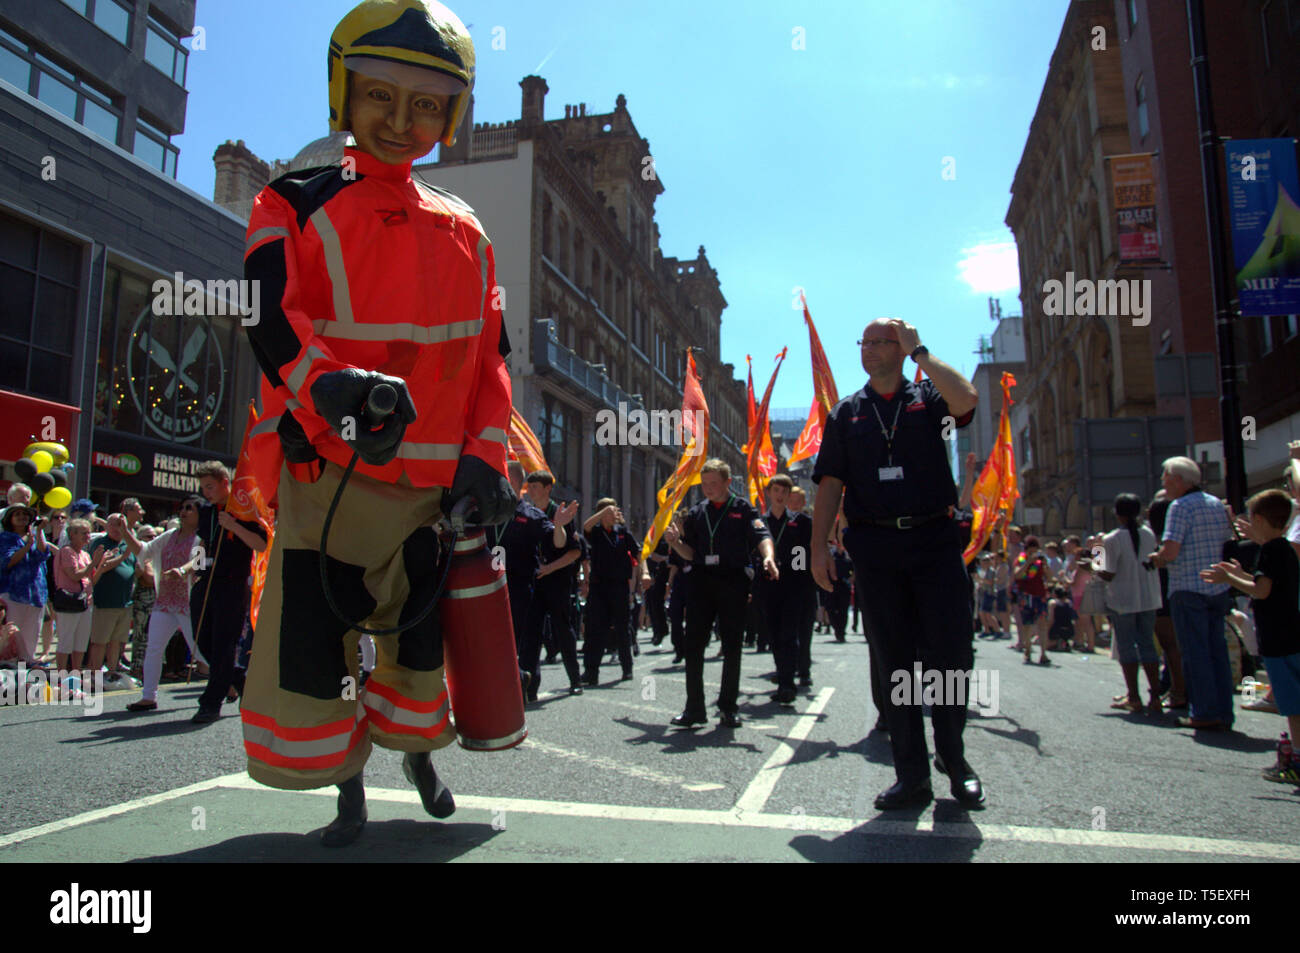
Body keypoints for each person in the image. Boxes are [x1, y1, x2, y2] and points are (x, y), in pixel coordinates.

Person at [239, 0, 513, 848]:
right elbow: (267, 314)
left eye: (425, 104)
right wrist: (328, 388)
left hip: (429, 499)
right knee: (320, 649)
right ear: (343, 93)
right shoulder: (289, 202)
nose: (401, 122)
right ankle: (346, 788)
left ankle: (420, 757)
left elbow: (491, 362)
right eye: (380, 97)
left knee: (417, 645)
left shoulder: (470, 229)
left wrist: (485, 457)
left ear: (451, 115)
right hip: (330, 483)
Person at [811, 317, 983, 810]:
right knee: (895, 665)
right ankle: (912, 775)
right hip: (877, 551)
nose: (868, 349)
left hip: (933, 542)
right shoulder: (847, 413)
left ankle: (954, 758)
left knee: (950, 657)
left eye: (879, 342)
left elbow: (968, 399)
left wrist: (922, 353)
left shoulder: (929, 400)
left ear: (901, 346)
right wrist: (819, 546)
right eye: (863, 341)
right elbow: (829, 484)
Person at [664, 459, 776, 728]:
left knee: (732, 646)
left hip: (733, 581)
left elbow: (762, 536)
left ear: (727, 482)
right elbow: (690, 553)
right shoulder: (696, 512)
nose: (708, 489)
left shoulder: (743, 508)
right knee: (693, 646)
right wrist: (675, 543)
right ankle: (695, 709)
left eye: (714, 483)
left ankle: (728, 707)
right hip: (702, 581)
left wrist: (769, 558)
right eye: (705, 484)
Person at [1203, 489, 1300, 781]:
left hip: (1278, 639)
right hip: (1292, 634)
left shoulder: (1270, 551)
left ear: (1258, 519)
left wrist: (1229, 578)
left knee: (1293, 705)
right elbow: (1266, 583)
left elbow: (1262, 591)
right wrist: (1241, 574)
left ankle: (1296, 760)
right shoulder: (1284, 549)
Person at [1148, 457, 1235, 731]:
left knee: (1195, 652)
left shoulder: (1179, 507)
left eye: (1165, 476)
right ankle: (1224, 711)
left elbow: (1171, 552)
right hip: (1218, 587)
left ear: (1177, 479)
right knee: (1216, 650)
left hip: (1187, 587)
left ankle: (1204, 711)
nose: (1163, 481)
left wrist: (1158, 557)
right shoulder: (1215, 504)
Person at [190, 462, 267, 724]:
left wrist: (234, 527)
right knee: (201, 637)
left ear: (225, 482)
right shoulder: (206, 512)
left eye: (210, 486)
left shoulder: (244, 509)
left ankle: (211, 702)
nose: (206, 492)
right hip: (206, 580)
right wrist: (195, 569)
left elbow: (261, 543)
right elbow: (203, 543)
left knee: (224, 643)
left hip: (233, 583)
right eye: (203, 488)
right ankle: (236, 676)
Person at [497, 461, 575, 700]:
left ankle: (526, 683)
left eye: (504, 476)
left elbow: (558, 543)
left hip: (522, 589)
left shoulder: (531, 516)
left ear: (515, 482)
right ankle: (516, 682)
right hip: (490, 587)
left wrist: (560, 526)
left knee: (526, 640)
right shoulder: (486, 510)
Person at [123, 500, 203, 711]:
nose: (184, 512)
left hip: (188, 603)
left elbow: (200, 563)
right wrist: (125, 532)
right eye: (183, 508)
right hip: (165, 603)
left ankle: (232, 681)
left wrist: (182, 571)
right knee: (154, 648)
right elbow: (144, 551)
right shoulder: (170, 536)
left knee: (200, 649)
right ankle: (148, 696)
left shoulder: (202, 538)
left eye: (190, 509)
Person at [1097, 494, 1163, 713]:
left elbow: (1107, 574)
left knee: (1126, 647)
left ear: (1117, 514)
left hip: (1123, 600)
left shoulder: (1112, 538)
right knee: (1147, 644)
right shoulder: (1149, 534)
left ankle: (1133, 695)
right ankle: (1155, 696)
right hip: (1149, 598)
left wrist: (1093, 563)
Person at [523, 471, 584, 694]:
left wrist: (549, 568)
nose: (530, 491)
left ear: (548, 488)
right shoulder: (526, 513)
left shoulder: (561, 512)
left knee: (563, 630)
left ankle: (575, 680)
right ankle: (529, 686)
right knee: (531, 633)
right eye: (529, 487)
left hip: (557, 580)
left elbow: (574, 552)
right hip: (534, 580)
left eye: (535, 487)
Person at [763, 474, 815, 704]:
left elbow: (804, 554)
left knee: (789, 634)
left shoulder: (801, 522)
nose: (780, 495)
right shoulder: (759, 522)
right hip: (767, 585)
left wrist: (799, 579)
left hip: (793, 585)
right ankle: (782, 673)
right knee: (774, 635)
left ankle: (787, 684)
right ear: (769, 493)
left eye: (785, 491)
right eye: (776, 490)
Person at [581, 498, 639, 685]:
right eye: (612, 511)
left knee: (623, 628)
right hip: (599, 587)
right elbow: (586, 526)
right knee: (595, 629)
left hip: (619, 586)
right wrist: (602, 512)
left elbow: (638, 553)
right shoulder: (596, 532)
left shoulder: (622, 532)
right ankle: (591, 672)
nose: (615, 514)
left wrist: (642, 575)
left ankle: (627, 668)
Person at [85, 513, 136, 685]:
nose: (117, 528)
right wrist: (121, 557)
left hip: (124, 602)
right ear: (106, 526)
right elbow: (100, 567)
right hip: (105, 602)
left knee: (117, 641)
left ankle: (112, 672)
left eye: (121, 525)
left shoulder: (128, 544)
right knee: (100, 641)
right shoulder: (100, 543)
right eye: (114, 524)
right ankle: (94, 675)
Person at [0, 505, 52, 665]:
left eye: (25, 514)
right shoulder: (5, 538)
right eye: (18, 514)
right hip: (13, 593)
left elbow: (43, 554)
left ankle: (26, 672)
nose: (22, 517)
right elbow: (7, 562)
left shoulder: (35, 535)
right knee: (12, 636)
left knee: (31, 637)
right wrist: (27, 546)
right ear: (10, 519)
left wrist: (39, 532)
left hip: (36, 594)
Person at [52, 518, 101, 679]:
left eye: (88, 532)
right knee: (66, 640)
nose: (88, 536)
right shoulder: (66, 551)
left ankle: (76, 673)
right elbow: (74, 575)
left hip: (86, 601)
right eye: (84, 533)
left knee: (81, 641)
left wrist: (101, 564)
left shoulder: (85, 554)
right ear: (72, 534)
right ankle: (62, 676)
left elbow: (91, 579)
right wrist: (94, 562)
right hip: (69, 601)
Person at [1013, 536, 1052, 665]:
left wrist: (1045, 566)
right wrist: (1028, 562)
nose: (1033, 554)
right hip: (1025, 595)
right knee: (1027, 625)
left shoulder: (1040, 563)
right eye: (1030, 551)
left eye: (1035, 551)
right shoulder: (1021, 560)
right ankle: (1028, 649)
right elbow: (1017, 575)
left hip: (1039, 595)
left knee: (1042, 623)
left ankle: (1043, 653)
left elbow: (1050, 578)